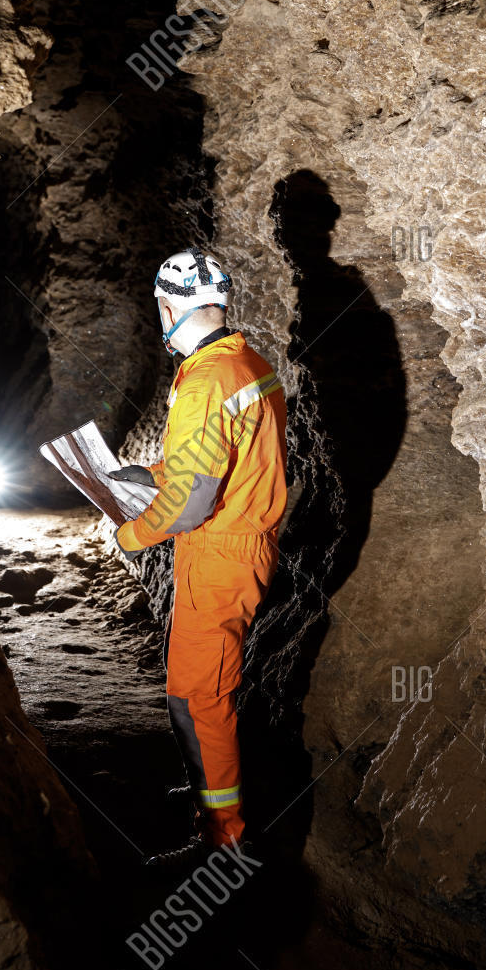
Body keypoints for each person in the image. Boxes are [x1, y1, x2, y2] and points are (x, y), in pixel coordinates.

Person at [113, 248, 287, 868]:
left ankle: (225, 843)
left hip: (217, 555)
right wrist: (152, 473)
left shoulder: (205, 380)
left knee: (196, 698)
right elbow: (218, 463)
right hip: (241, 541)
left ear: (167, 306)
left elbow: (189, 505)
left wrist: (131, 534)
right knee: (200, 692)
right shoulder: (247, 363)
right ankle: (209, 799)